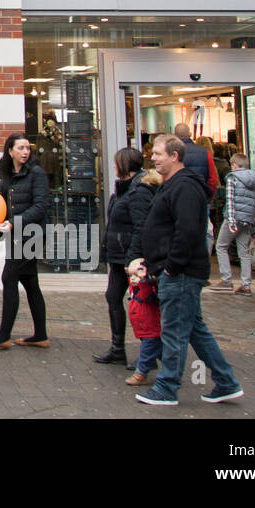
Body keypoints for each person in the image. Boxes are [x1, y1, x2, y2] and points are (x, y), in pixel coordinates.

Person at [135, 135, 243, 406]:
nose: (153, 158)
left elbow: (188, 231)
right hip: (176, 271)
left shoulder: (184, 187)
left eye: (158, 153)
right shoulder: (173, 185)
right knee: (194, 329)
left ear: (174, 156)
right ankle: (227, 382)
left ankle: (167, 387)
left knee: (173, 332)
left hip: (181, 274)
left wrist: (171, 266)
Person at [0, 132, 50, 349]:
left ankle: (3, 336)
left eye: (27, 148)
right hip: (14, 234)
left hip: (31, 234)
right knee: (30, 282)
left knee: (9, 277)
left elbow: (40, 206)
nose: (25, 152)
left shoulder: (36, 173)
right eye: (21, 148)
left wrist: (14, 223)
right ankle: (40, 335)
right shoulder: (4, 173)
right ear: (10, 151)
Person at [95, 146, 154, 366]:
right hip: (119, 257)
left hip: (130, 259)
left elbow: (141, 226)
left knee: (142, 303)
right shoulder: (123, 190)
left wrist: (134, 257)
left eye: (116, 162)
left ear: (123, 165)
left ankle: (149, 353)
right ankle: (117, 348)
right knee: (112, 297)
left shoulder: (139, 191)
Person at [209, 152, 255, 294]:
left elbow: (230, 200)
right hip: (247, 220)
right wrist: (254, 228)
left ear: (235, 165)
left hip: (234, 218)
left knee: (221, 246)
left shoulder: (233, 178)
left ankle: (226, 279)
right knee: (243, 251)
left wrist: (230, 220)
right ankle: (246, 284)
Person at [124, 258, 162, 386]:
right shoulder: (135, 289)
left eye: (136, 276)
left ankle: (140, 373)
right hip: (143, 329)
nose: (133, 279)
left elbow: (146, 293)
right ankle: (172, 370)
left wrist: (145, 280)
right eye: (131, 276)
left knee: (147, 352)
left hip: (150, 330)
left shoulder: (147, 288)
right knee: (160, 352)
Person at [172, 123, 218, 196]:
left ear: (174, 135)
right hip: (200, 196)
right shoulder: (205, 152)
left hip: (177, 196)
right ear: (190, 134)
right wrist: (208, 197)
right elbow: (213, 179)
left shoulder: (170, 153)